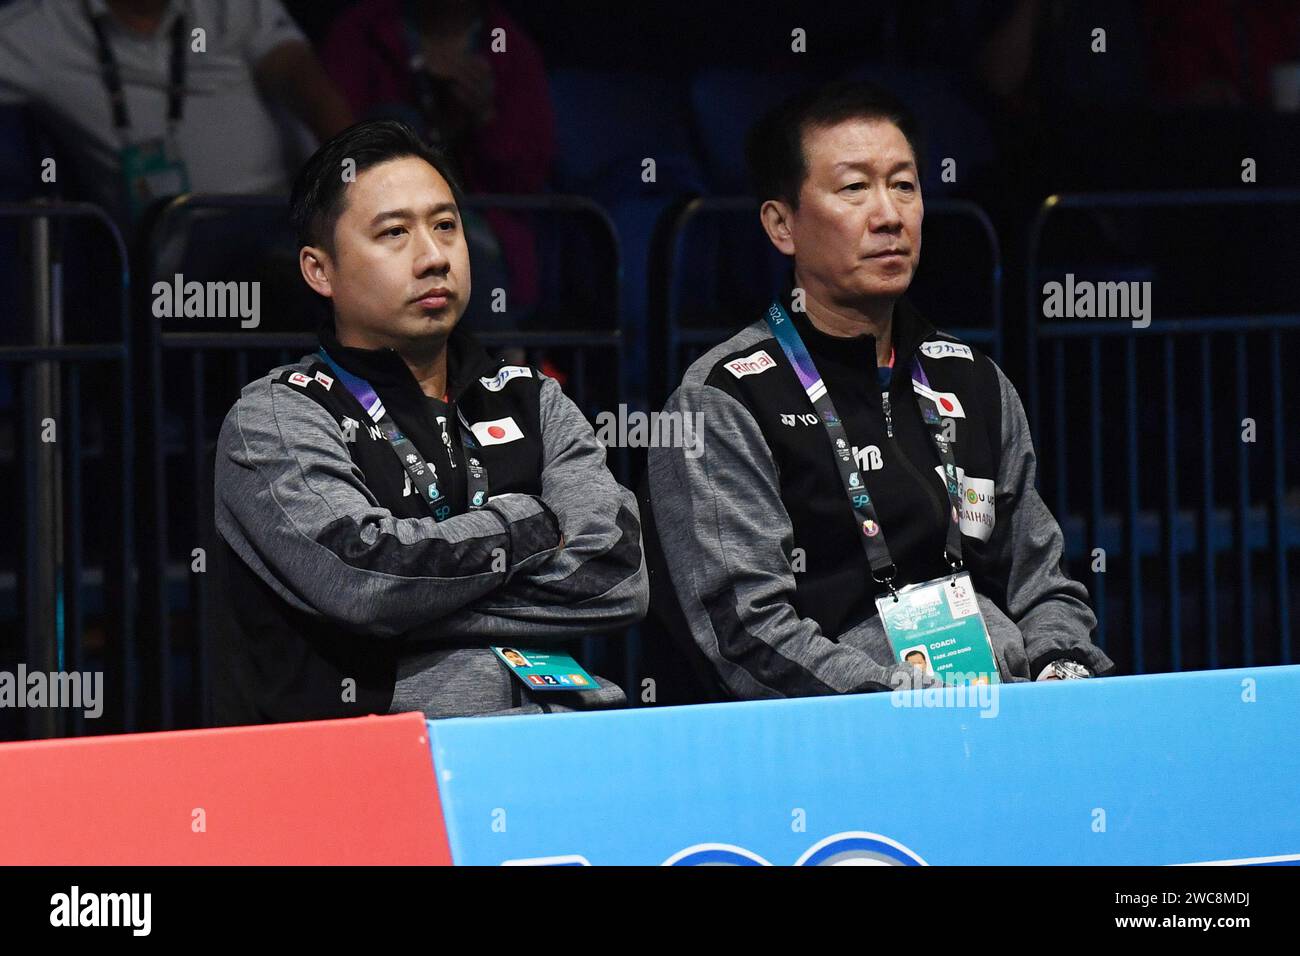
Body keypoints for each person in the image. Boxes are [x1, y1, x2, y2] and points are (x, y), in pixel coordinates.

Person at [645, 81, 1113, 701]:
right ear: (782, 225)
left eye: (904, 185)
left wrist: (1064, 669)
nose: (889, 215)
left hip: (1005, 716)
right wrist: (904, 703)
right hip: (840, 747)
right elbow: (749, 634)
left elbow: (1042, 582)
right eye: (854, 188)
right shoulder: (725, 399)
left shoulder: (972, 379)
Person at [211, 120, 646, 725]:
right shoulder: (278, 417)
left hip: (560, 741)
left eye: (445, 226)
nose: (433, 257)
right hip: (365, 773)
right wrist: (531, 523)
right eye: (394, 233)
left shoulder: (533, 399)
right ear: (320, 270)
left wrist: (412, 606)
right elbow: (362, 577)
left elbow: (618, 575)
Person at [0, 0, 353, 231]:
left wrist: (360, 176)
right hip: (173, 254)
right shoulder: (41, 28)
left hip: (287, 212)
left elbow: (298, 76)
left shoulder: (229, 7)